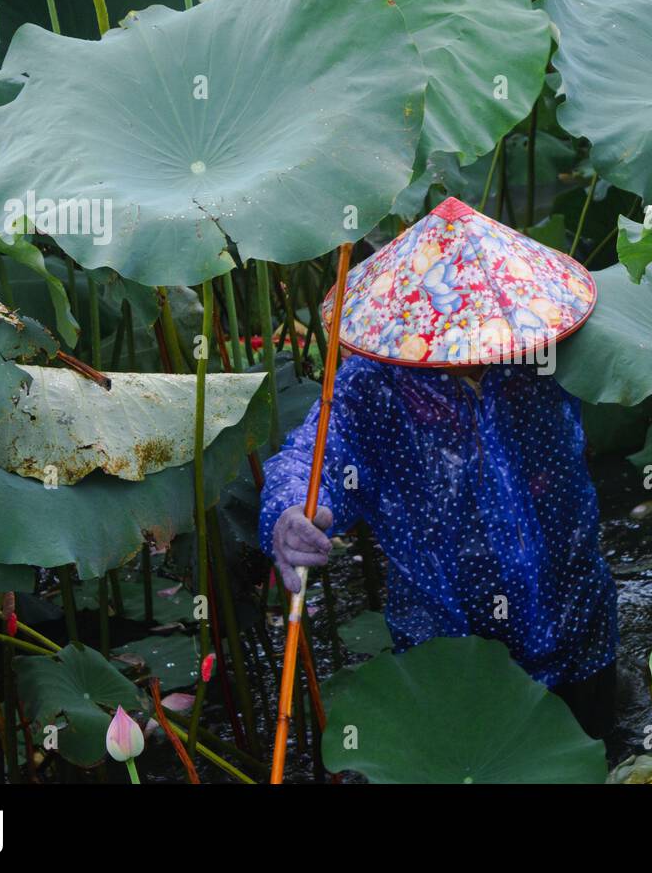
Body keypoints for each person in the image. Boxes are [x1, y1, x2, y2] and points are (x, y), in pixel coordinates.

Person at [257, 197, 619, 738]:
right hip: (450, 646)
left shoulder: (550, 348)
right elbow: (312, 457)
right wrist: (288, 513)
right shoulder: (371, 386)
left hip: (577, 623)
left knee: (596, 755)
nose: (473, 347)